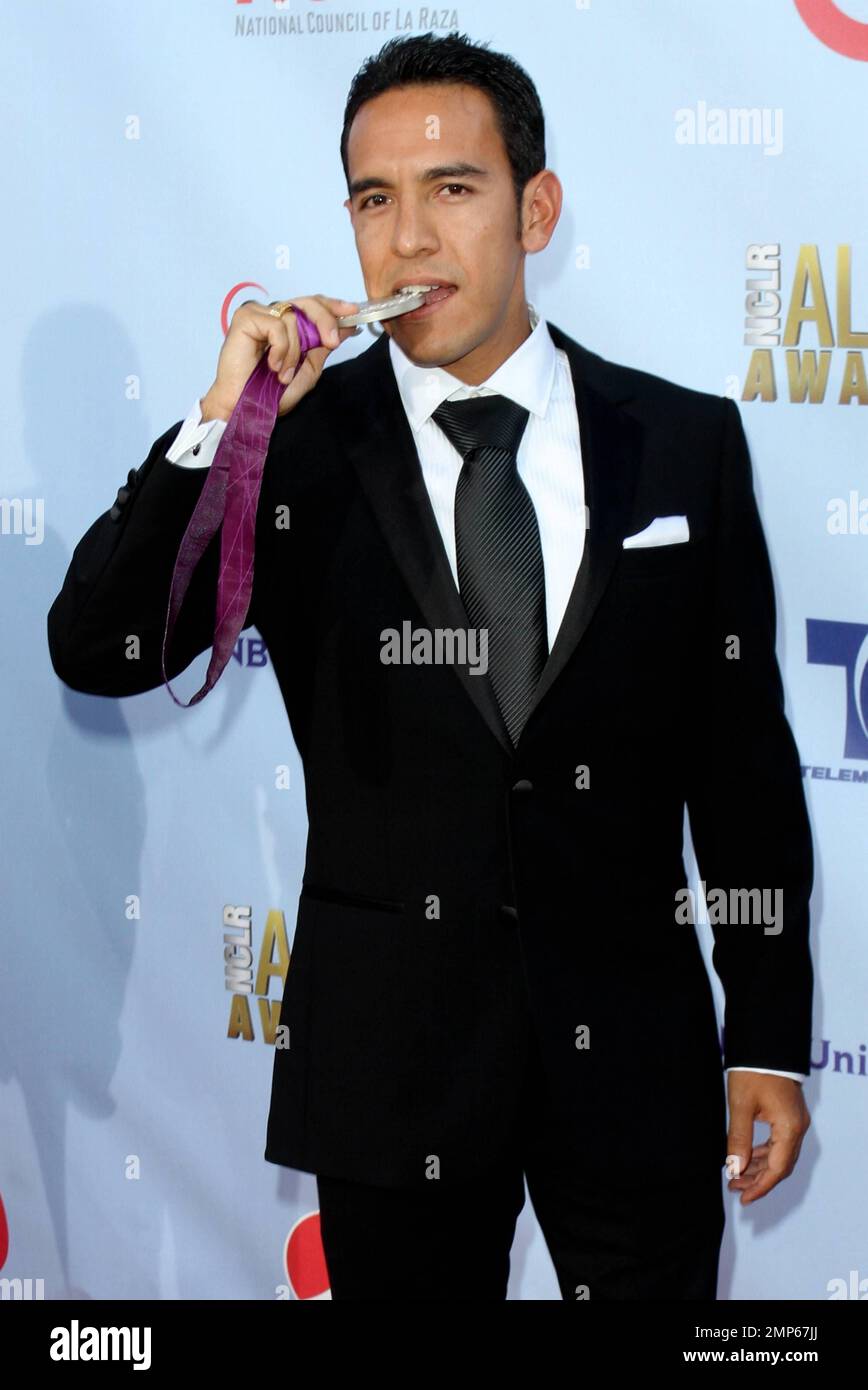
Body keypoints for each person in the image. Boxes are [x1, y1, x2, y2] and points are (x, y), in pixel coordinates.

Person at [47, 31, 813, 1301]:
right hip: (391, 1074)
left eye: (451, 189)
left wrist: (770, 1037)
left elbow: (741, 771)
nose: (407, 239)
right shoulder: (291, 454)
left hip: (634, 1064)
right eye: (372, 199)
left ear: (536, 208)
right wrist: (219, 419)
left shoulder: (682, 444)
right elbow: (100, 646)